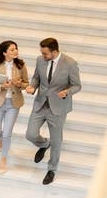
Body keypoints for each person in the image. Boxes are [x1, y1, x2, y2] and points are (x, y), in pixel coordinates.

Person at [25, 37, 81, 185]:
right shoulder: (40, 60)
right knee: (30, 134)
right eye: (42, 53)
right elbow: (36, 78)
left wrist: (67, 92)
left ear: (55, 51)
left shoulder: (70, 64)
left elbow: (77, 85)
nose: (42, 56)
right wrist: (32, 87)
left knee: (57, 141)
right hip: (40, 104)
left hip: (58, 108)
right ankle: (44, 144)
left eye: (45, 53)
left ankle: (52, 169)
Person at [0, 40, 29, 175]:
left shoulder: (21, 66)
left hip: (13, 104)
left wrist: (19, 83)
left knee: (7, 134)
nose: (15, 51)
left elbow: (26, 83)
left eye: (16, 48)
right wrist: (2, 87)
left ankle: (3, 159)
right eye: (12, 49)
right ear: (4, 52)